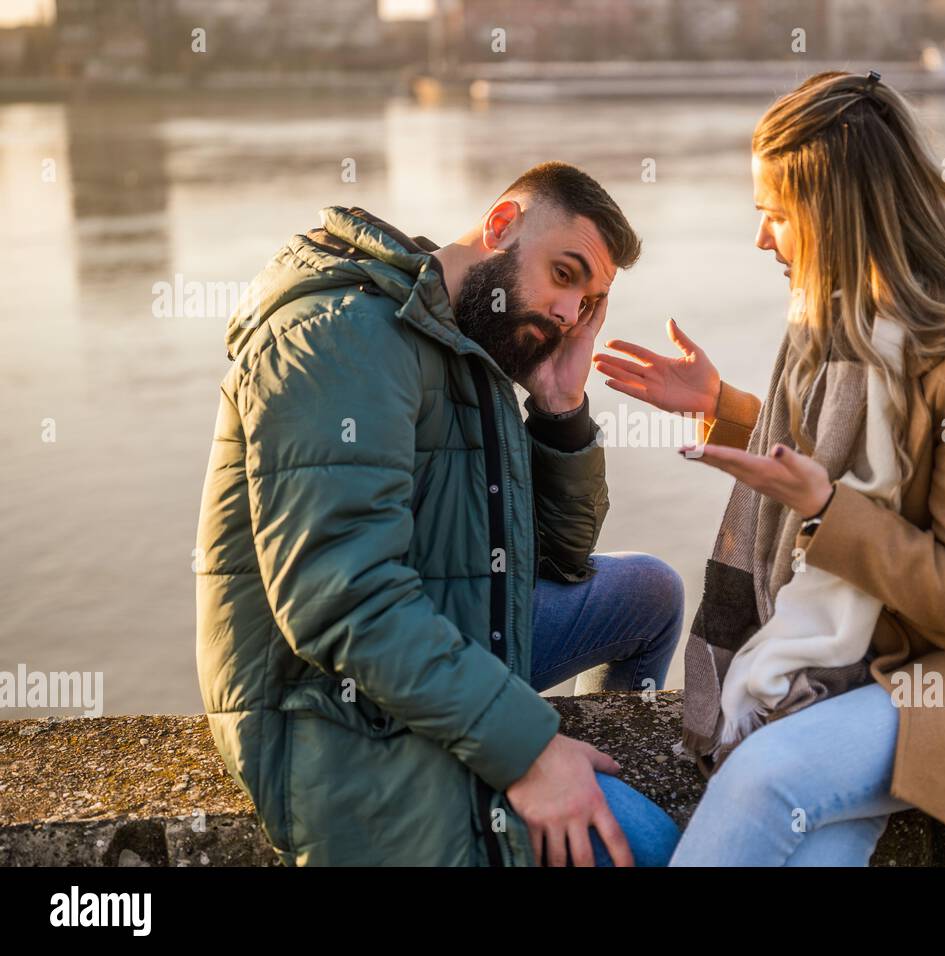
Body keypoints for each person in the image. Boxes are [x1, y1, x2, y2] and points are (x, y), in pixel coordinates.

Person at [593, 72, 945, 867]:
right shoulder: (842, 329)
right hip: (871, 659)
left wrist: (825, 514)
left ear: (836, 215)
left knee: (768, 780)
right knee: (815, 845)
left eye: (775, 216)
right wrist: (726, 406)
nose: (762, 240)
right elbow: (857, 465)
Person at [195, 162, 682, 866]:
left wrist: (560, 407)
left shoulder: (463, 342)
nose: (571, 315)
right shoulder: (343, 336)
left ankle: (598, 759)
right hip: (338, 702)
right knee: (657, 849)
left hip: (436, 627)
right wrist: (529, 752)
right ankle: (558, 787)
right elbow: (342, 602)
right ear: (502, 226)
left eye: (592, 299)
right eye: (566, 274)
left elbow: (551, 564)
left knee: (652, 594)